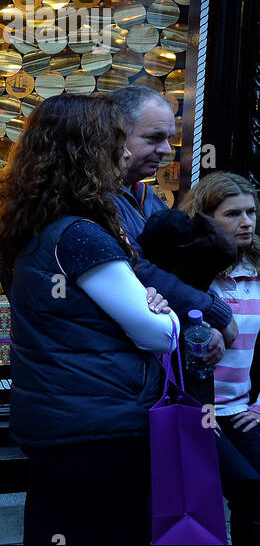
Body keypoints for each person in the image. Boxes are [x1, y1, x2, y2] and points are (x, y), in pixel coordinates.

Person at [0, 93, 178, 545]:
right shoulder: (82, 236)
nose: (127, 154)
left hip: (54, 425)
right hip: (102, 428)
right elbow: (158, 335)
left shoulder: (27, 228)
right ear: (87, 153)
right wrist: (166, 314)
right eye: (116, 143)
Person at [109, 86, 236, 349]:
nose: (167, 150)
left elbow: (186, 265)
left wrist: (203, 318)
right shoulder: (94, 203)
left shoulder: (147, 196)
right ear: (115, 137)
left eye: (168, 138)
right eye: (154, 138)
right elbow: (135, 270)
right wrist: (212, 312)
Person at [179, 172, 260, 543]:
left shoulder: (258, 270)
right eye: (233, 214)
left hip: (241, 410)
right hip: (196, 412)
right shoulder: (188, 274)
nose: (246, 222)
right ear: (207, 218)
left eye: (251, 212)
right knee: (247, 491)